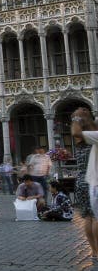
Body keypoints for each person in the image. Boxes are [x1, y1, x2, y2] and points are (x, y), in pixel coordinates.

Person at [71, 108, 98, 259]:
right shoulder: (93, 138)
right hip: (93, 181)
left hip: (80, 180)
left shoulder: (80, 141)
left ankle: (94, 251)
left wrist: (77, 118)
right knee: (96, 217)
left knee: (88, 217)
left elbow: (76, 132)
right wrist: (83, 117)